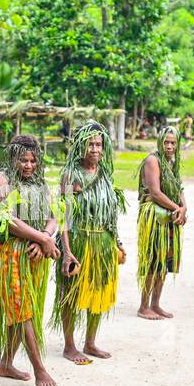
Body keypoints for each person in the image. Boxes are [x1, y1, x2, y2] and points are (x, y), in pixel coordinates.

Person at [0, 134, 59, 386]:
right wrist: (41, 238)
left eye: (33, 160)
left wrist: (44, 238)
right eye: (23, 160)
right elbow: (6, 219)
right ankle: (40, 369)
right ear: (12, 157)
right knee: (21, 308)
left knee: (23, 309)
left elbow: (55, 216)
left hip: (36, 254)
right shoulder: (0, 179)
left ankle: (6, 363)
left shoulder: (41, 184)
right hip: (8, 253)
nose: (28, 165)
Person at [56, 121, 125, 363]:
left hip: (103, 242)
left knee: (99, 290)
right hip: (78, 240)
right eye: (90, 144)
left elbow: (110, 211)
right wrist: (66, 251)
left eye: (99, 144)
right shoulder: (71, 175)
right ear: (80, 147)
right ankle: (69, 345)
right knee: (72, 294)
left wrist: (116, 241)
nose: (95, 149)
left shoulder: (104, 174)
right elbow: (61, 215)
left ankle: (90, 342)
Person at [136, 126, 186, 320]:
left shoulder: (172, 162)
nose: (170, 146)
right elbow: (155, 192)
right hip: (154, 217)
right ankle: (143, 306)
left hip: (169, 216)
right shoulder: (152, 160)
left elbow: (179, 186)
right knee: (153, 261)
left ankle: (155, 304)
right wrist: (177, 208)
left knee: (164, 262)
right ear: (160, 142)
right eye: (166, 142)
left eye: (173, 143)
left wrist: (184, 207)